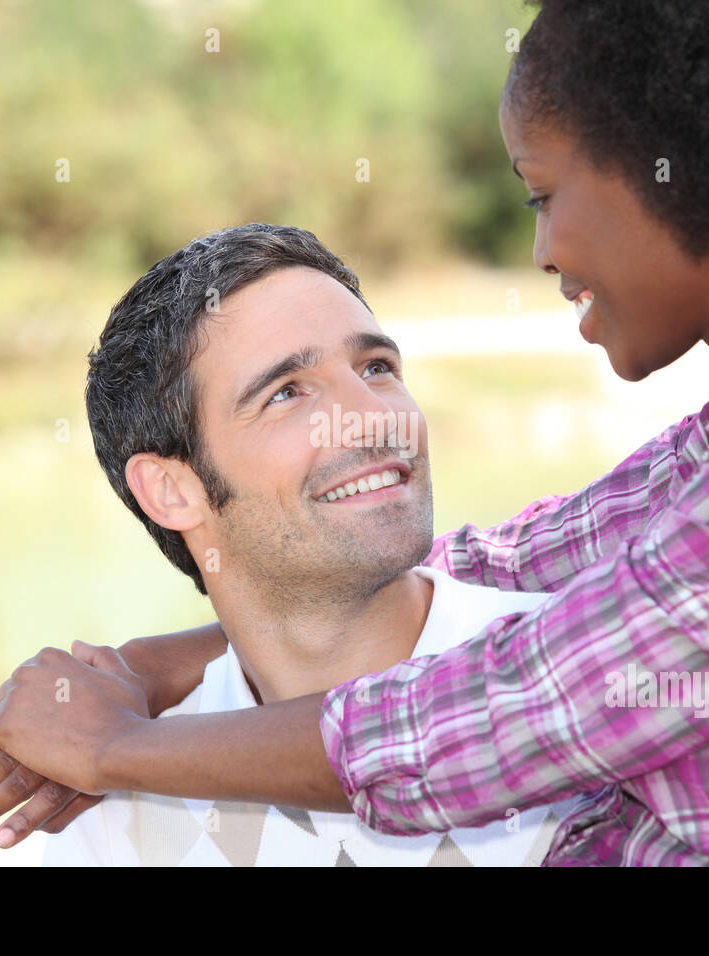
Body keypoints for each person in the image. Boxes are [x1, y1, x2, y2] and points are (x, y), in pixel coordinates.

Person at [0, 0, 709, 865]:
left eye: (546, 194)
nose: (546, 249)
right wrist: (149, 663)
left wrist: (116, 747)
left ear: (677, 172)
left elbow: (472, 728)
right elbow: (505, 559)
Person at [39, 222, 607, 865]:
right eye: (286, 393)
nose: (370, 415)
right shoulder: (121, 818)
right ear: (172, 489)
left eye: (377, 367)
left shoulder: (591, 690)